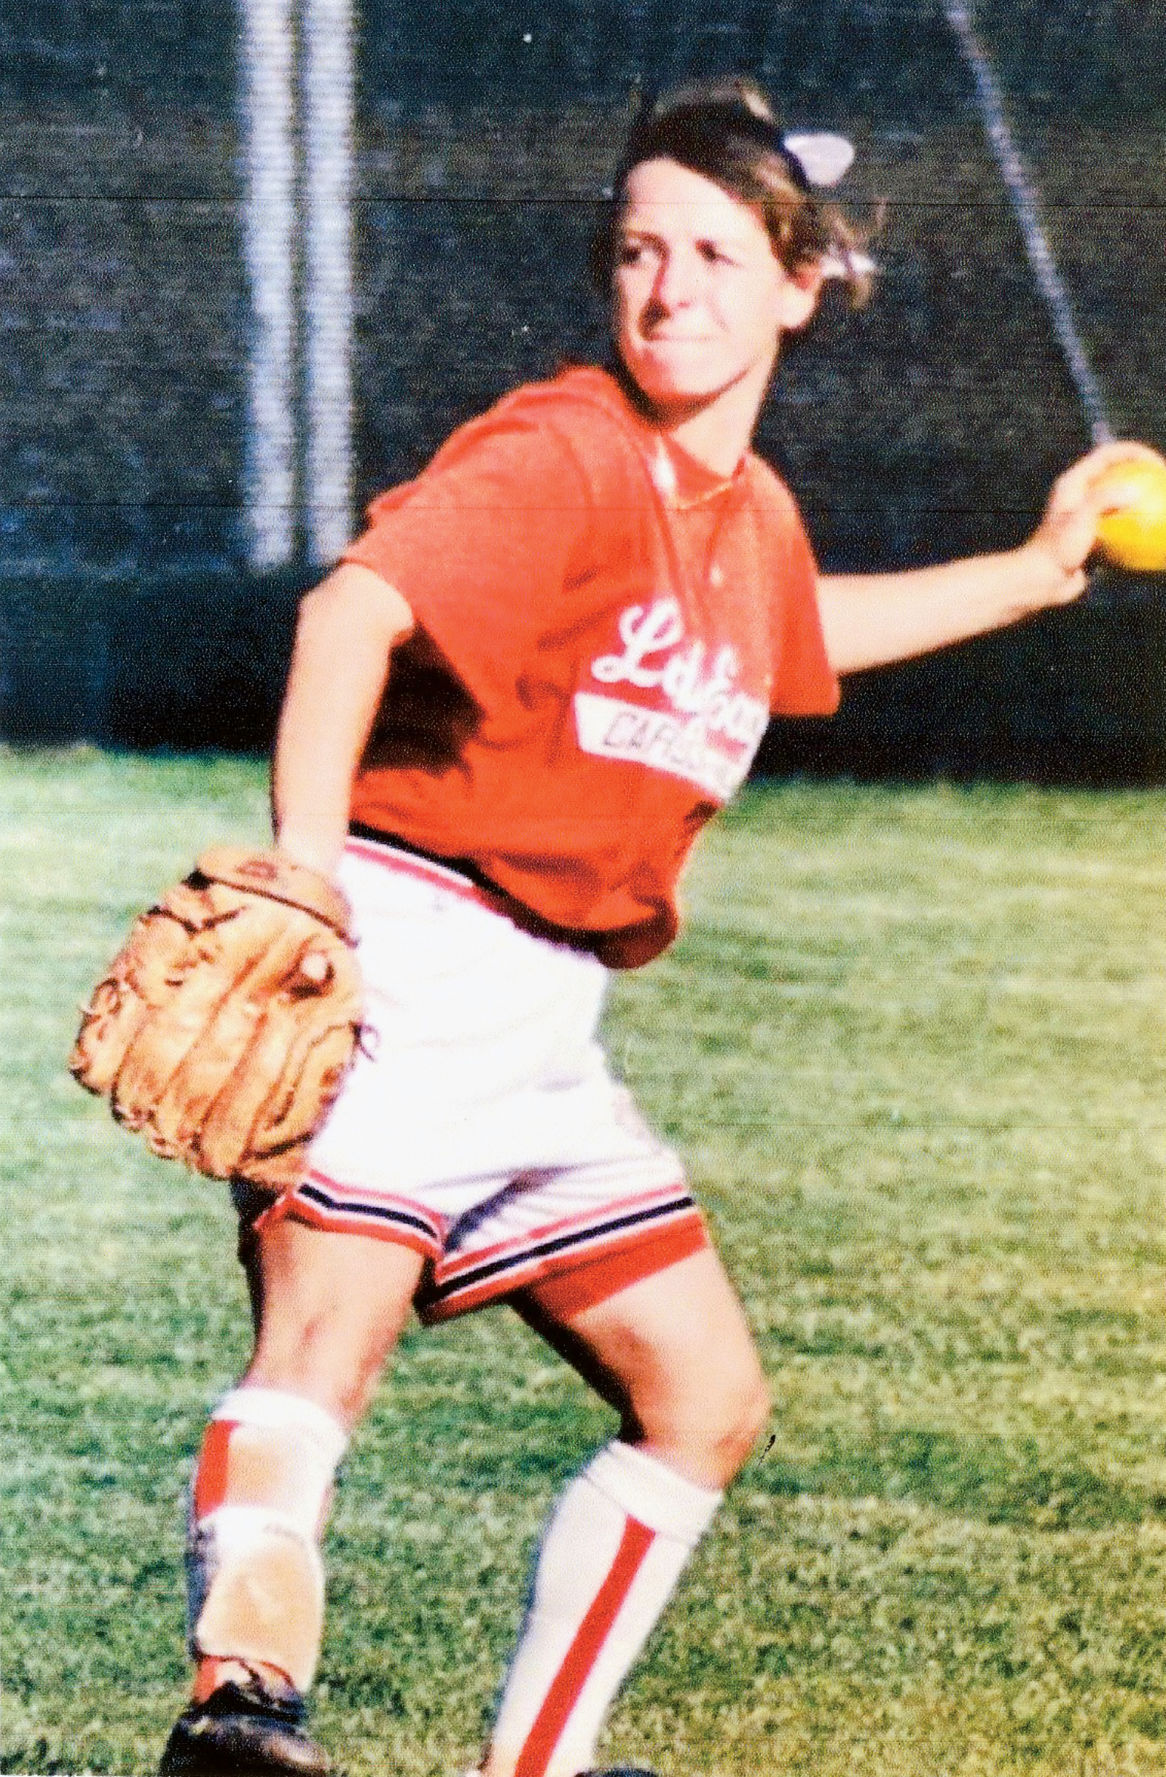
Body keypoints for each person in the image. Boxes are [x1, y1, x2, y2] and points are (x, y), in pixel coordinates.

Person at [158, 76, 1152, 1777]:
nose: (665, 287)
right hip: (411, 946)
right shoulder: (564, 452)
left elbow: (789, 631)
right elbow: (349, 612)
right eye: (635, 249)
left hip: (547, 1021)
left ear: (796, 284)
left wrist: (1036, 568)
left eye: (707, 251)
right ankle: (237, 1710)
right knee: (323, 1346)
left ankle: (532, 1766)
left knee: (703, 1400)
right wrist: (303, 877)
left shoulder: (741, 513)